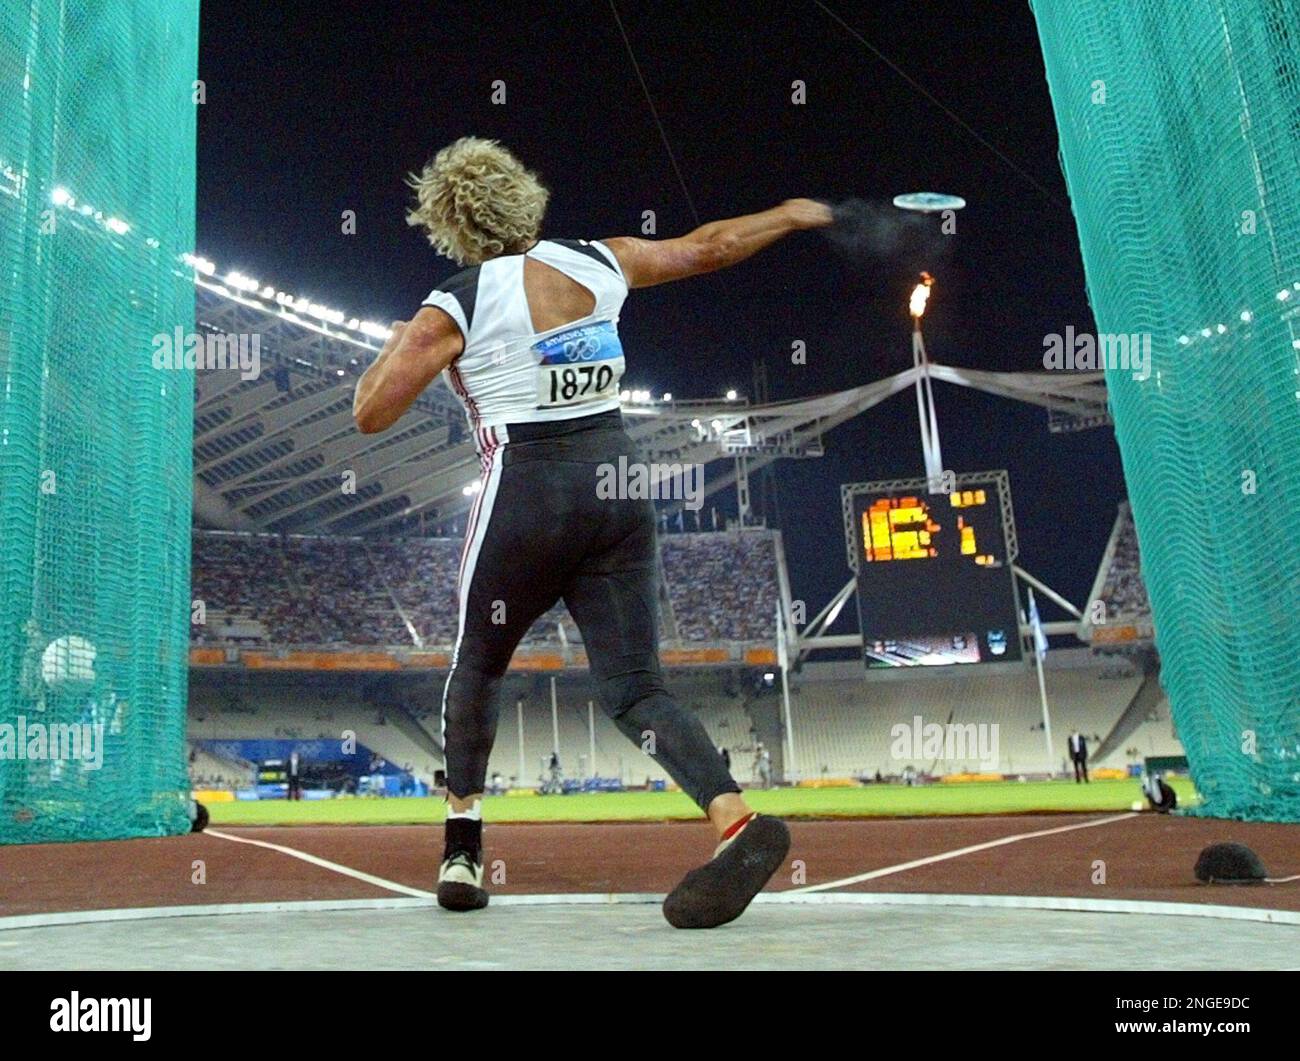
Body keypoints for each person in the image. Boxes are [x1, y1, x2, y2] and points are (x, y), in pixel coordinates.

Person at [353, 136, 832, 928]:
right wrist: (786, 213)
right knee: (637, 686)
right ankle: (735, 820)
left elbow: (372, 412)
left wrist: (397, 342)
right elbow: (710, 247)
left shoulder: (455, 300)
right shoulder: (599, 261)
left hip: (526, 496)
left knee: (478, 663)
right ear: (523, 195)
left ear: (448, 222)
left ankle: (463, 850)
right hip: (618, 487)